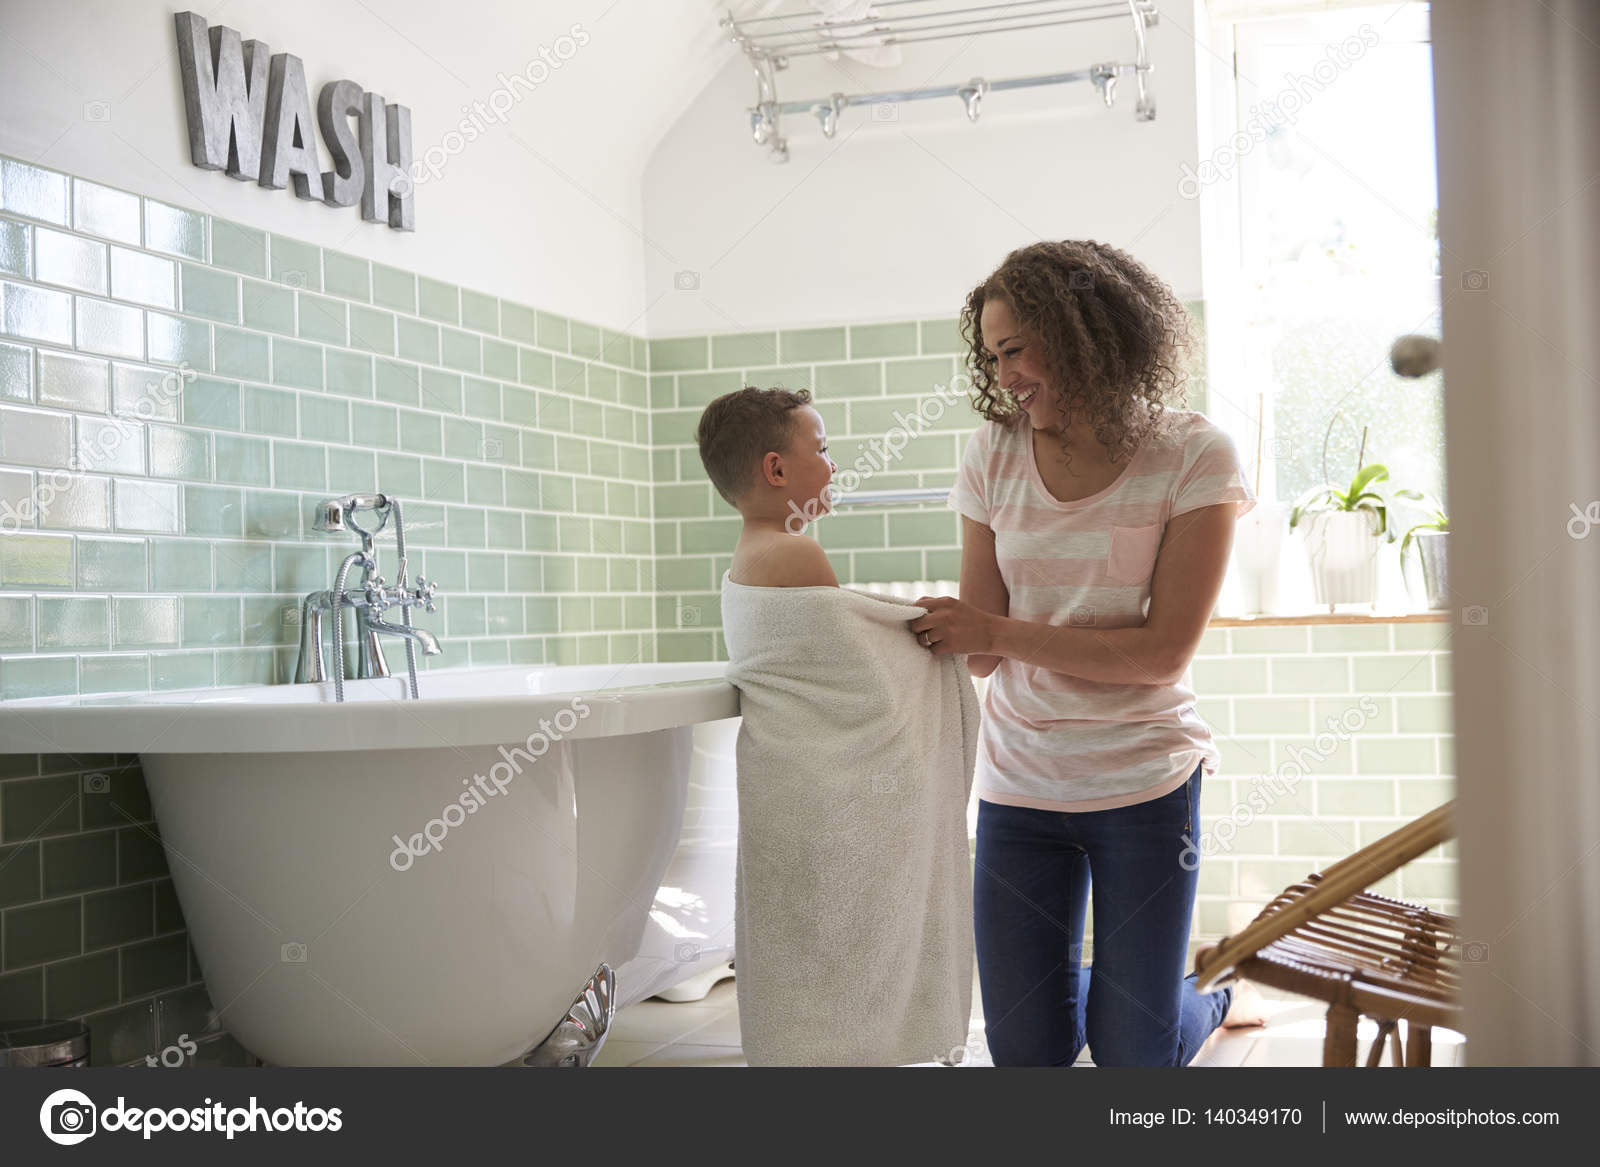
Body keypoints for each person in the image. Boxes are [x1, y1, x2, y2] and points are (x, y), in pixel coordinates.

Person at [907, 239, 1267, 1066]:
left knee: (1133, 1054)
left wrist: (994, 632)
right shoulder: (992, 454)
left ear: (1082, 336)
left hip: (1144, 782)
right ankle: (1131, 991)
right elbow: (981, 651)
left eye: (1015, 351)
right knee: (1026, 1054)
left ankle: (1215, 991)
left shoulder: (1195, 455)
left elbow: (1161, 654)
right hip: (1021, 784)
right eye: (992, 357)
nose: (1003, 377)